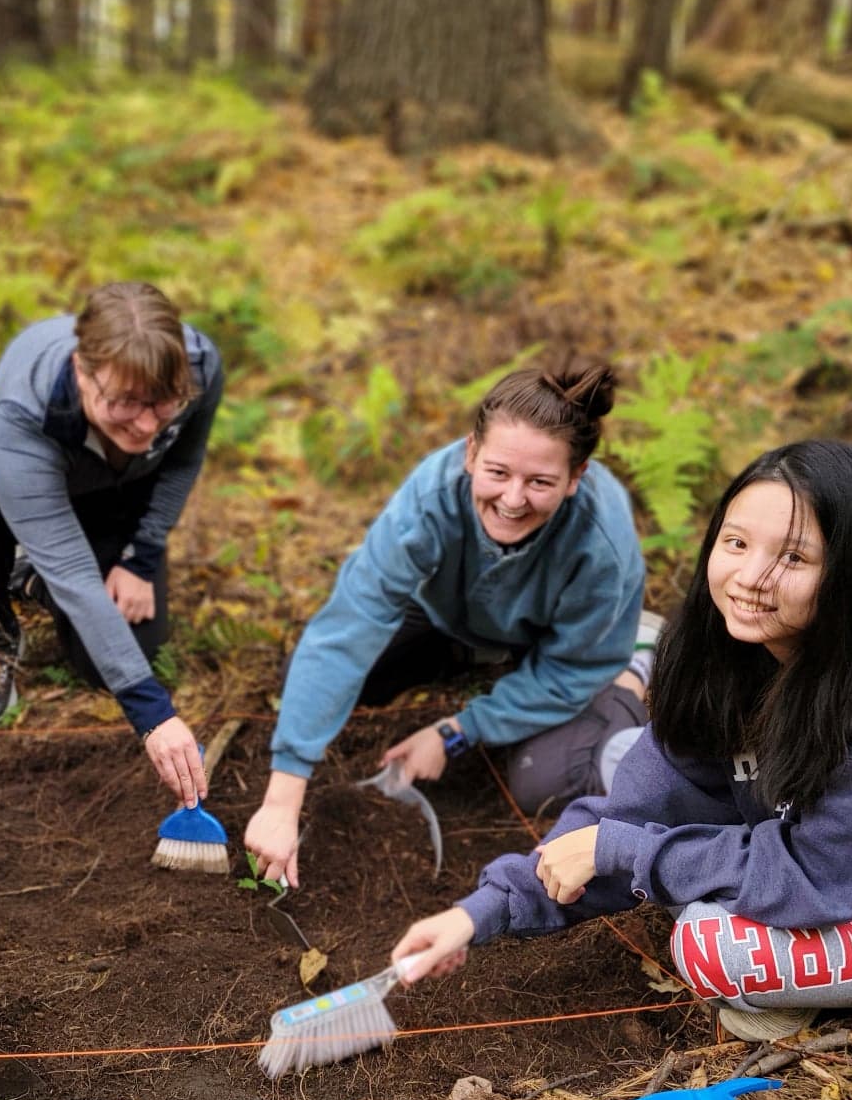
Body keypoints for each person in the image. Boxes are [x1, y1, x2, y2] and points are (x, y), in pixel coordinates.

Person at [390, 440, 852, 1042]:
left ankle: (850, 983)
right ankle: (796, 962)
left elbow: (815, 880)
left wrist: (630, 851)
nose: (750, 579)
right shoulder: (739, 648)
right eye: (736, 543)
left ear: (851, 571)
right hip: (842, 862)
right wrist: (477, 915)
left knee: (711, 942)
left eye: (793, 557)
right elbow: (634, 810)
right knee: (631, 792)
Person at [245, 363, 649, 889]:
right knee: (308, 677)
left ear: (576, 478)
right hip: (453, 619)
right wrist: (283, 796)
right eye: (498, 472)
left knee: (544, 781)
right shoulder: (433, 495)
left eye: (541, 482)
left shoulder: (602, 545)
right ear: (470, 453)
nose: (512, 499)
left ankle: (639, 653)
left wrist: (456, 732)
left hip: (559, 644)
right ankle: (475, 657)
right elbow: (349, 629)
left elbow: (571, 670)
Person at [0, 282, 223, 807]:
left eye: (163, 404)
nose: (147, 425)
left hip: (115, 489)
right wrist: (154, 715)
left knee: (107, 665)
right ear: (82, 372)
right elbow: (77, 578)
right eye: (124, 402)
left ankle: (36, 573)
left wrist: (139, 558)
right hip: (19, 479)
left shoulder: (198, 368)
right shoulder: (25, 414)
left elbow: (182, 462)